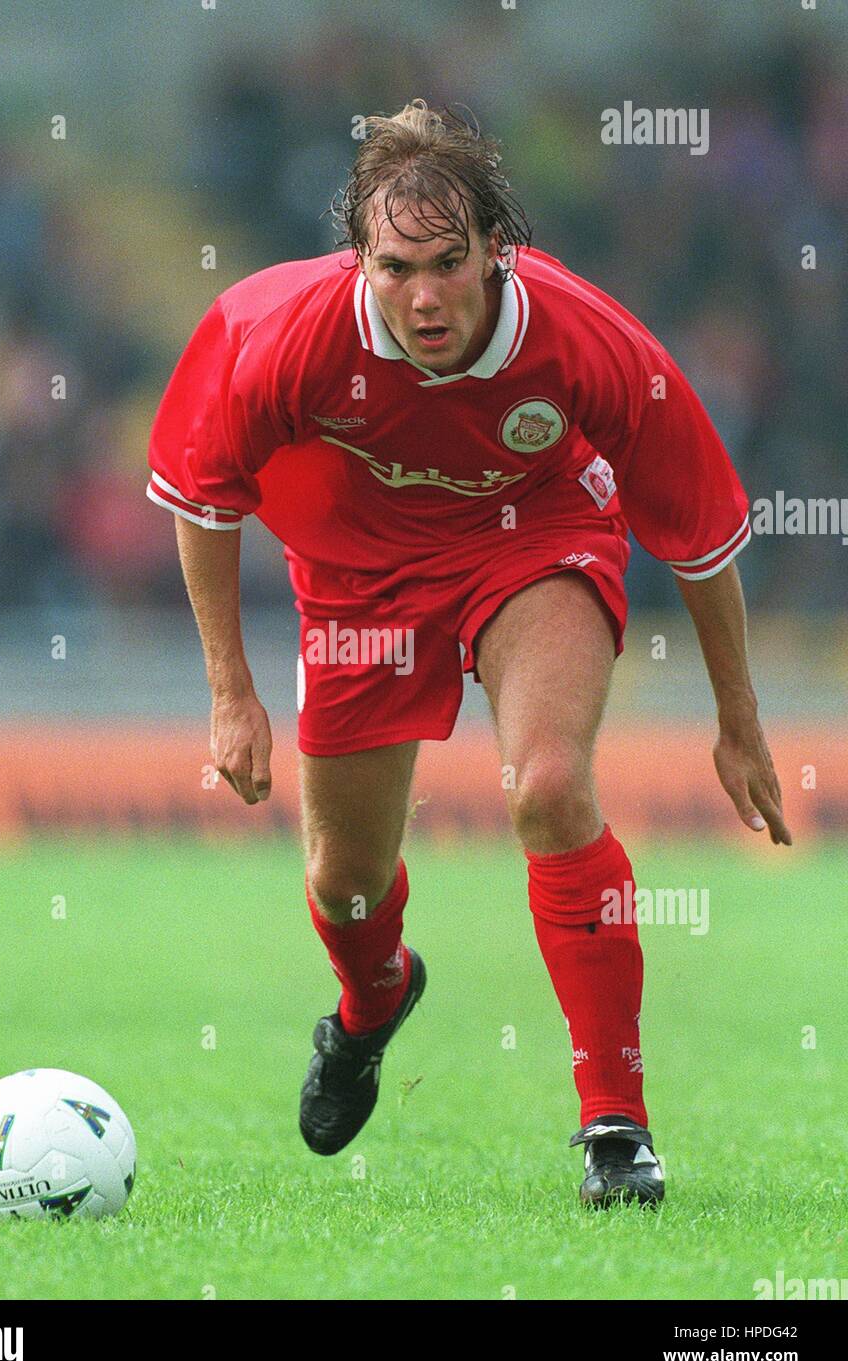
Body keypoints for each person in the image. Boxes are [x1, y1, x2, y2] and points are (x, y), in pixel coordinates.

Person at [147, 100, 791, 1206]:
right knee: (343, 885)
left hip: (533, 541)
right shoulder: (282, 331)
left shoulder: (589, 342)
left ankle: (615, 1125)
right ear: (359, 259)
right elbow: (200, 498)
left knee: (546, 787)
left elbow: (699, 535)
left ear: (499, 251)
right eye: (397, 267)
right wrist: (228, 693)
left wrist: (739, 719)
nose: (426, 296)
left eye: (451, 263)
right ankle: (372, 1001)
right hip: (358, 578)